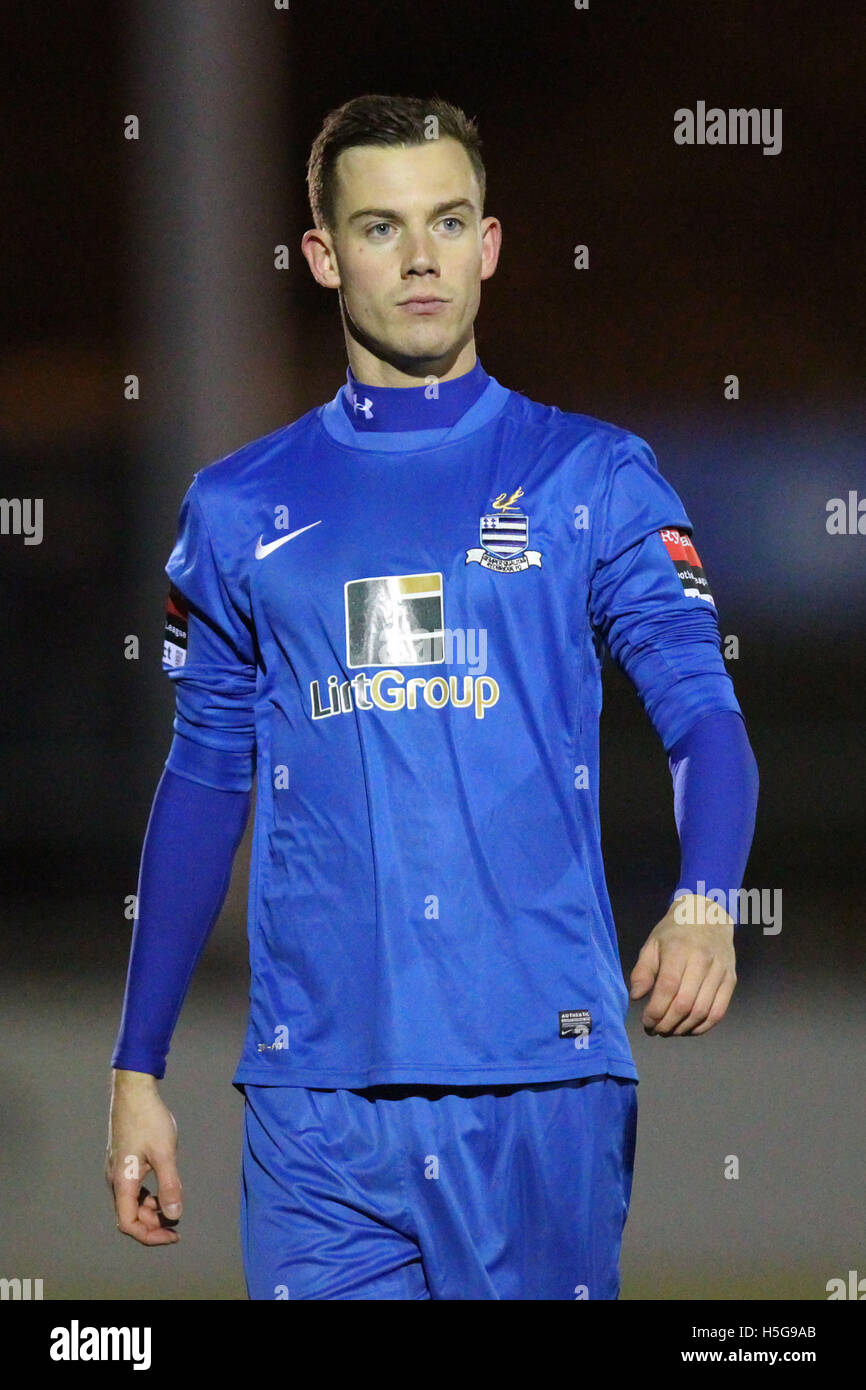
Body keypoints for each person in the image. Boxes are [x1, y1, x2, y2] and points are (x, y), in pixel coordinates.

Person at [106, 93, 759, 1300]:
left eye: (448, 222)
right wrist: (136, 1066)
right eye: (379, 228)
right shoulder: (238, 509)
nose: (419, 258)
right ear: (320, 255)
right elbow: (203, 779)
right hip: (314, 1106)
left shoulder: (590, 476)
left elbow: (701, 716)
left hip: (538, 1078)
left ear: (490, 244)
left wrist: (707, 896)